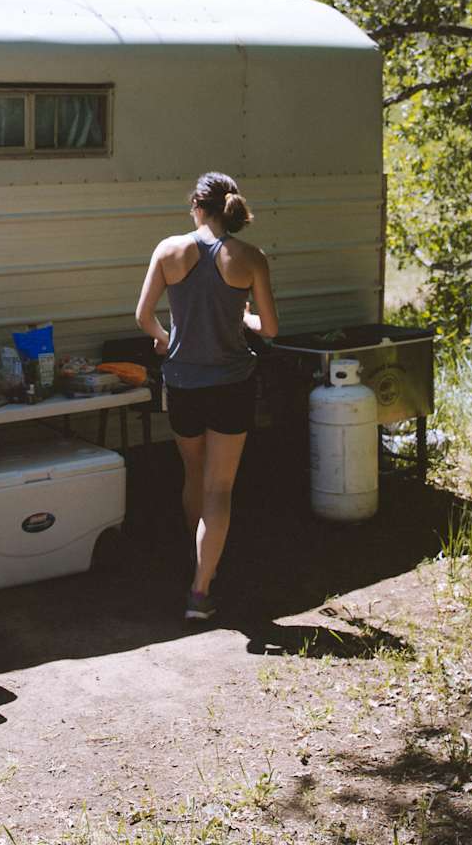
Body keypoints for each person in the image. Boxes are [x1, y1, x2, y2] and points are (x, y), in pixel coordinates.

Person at [134, 171, 279, 621]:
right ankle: (201, 588)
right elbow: (269, 330)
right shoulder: (251, 257)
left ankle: (198, 561)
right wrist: (248, 320)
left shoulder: (168, 250)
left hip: (182, 384)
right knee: (220, 488)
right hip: (232, 385)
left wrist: (166, 338)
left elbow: (142, 317)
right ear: (230, 208)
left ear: (197, 205)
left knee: (193, 476)